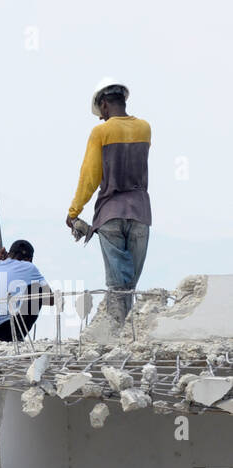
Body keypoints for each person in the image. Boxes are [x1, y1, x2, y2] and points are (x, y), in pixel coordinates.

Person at [66, 78, 151, 326]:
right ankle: (127, 331)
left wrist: (74, 211)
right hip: (140, 214)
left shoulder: (101, 132)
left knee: (117, 284)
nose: (101, 118)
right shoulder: (145, 128)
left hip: (110, 214)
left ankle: (116, 333)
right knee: (130, 284)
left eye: (101, 113)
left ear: (104, 104)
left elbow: (90, 176)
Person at [0, 240, 55, 342]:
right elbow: (50, 300)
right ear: (29, 259)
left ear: (8, 254)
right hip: (7, 329)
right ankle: (17, 337)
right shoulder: (29, 267)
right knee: (36, 289)